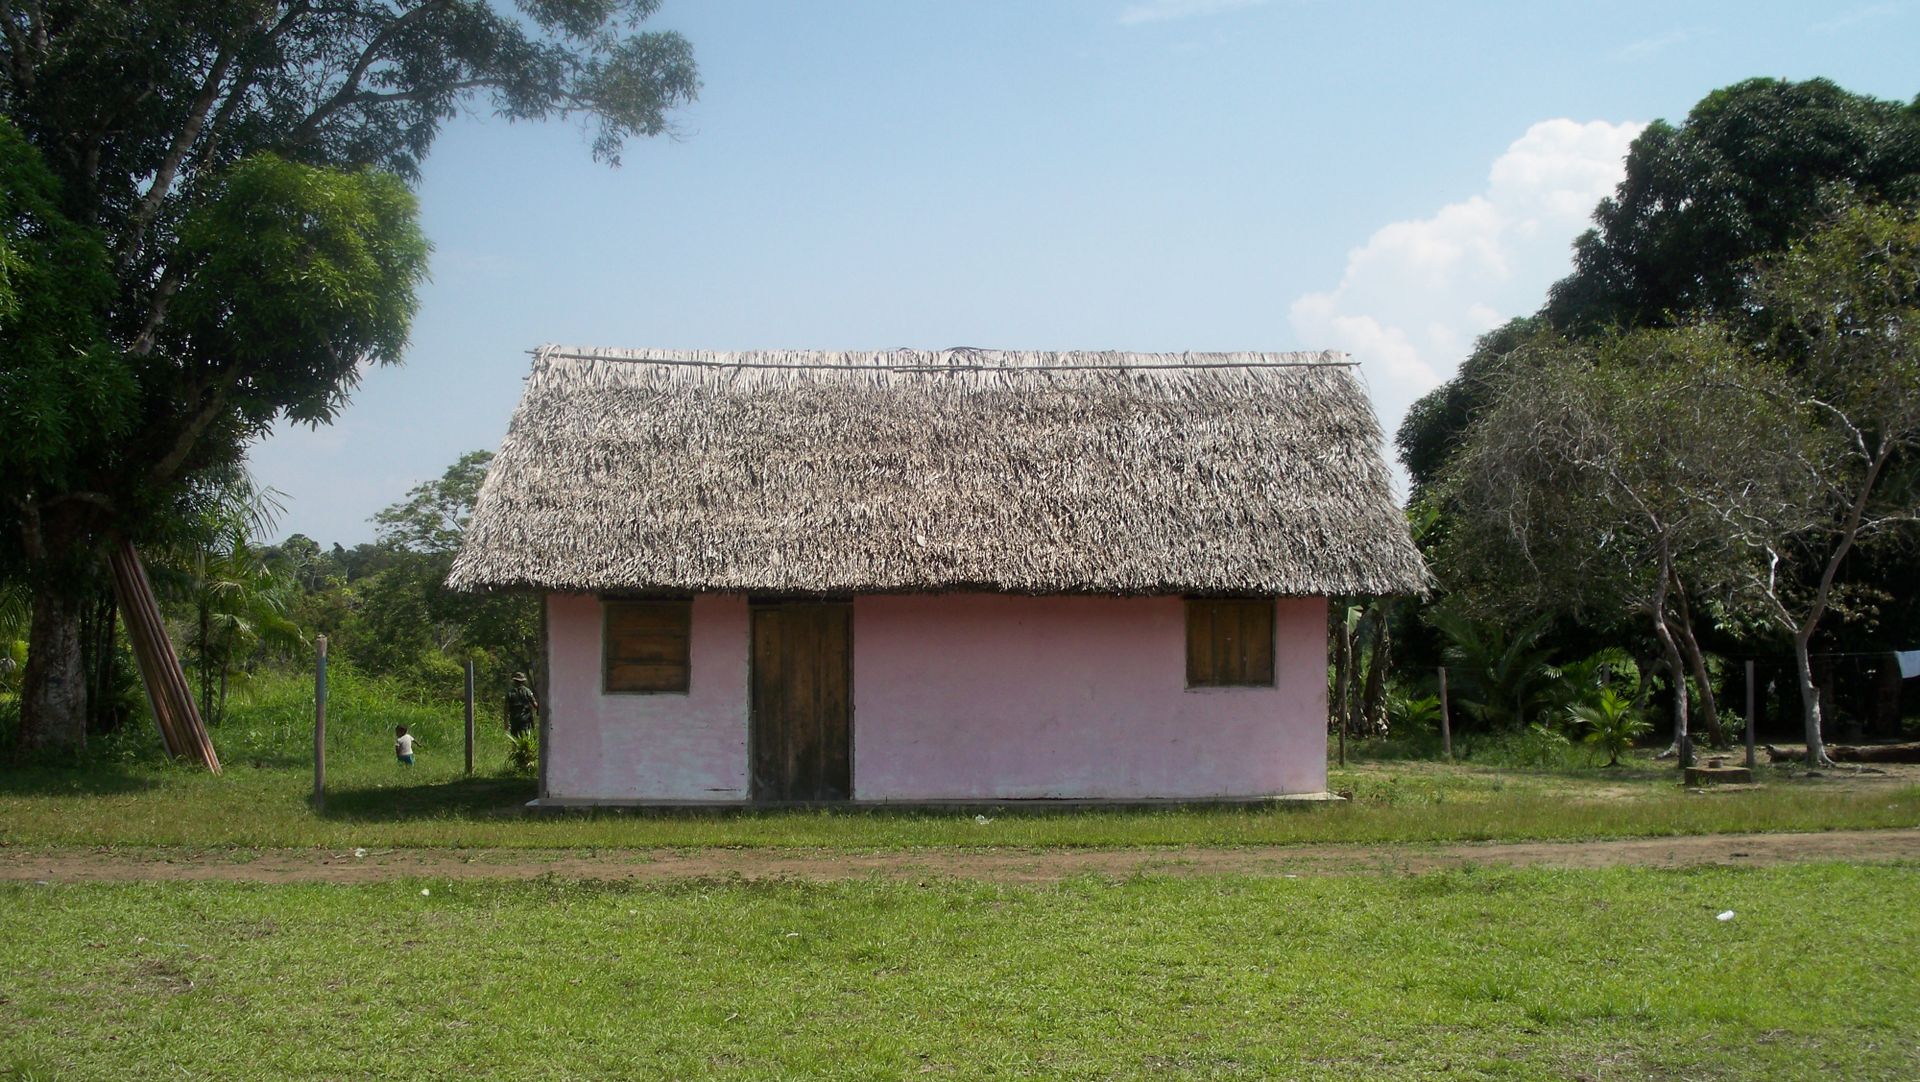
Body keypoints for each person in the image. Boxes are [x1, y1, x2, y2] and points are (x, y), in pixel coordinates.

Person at [507, 672, 539, 738]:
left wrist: (506, 722)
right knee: (526, 739)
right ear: (523, 681)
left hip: (514, 720)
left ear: (515, 681)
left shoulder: (510, 693)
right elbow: (535, 704)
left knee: (515, 740)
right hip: (525, 720)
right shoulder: (527, 691)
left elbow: (506, 709)